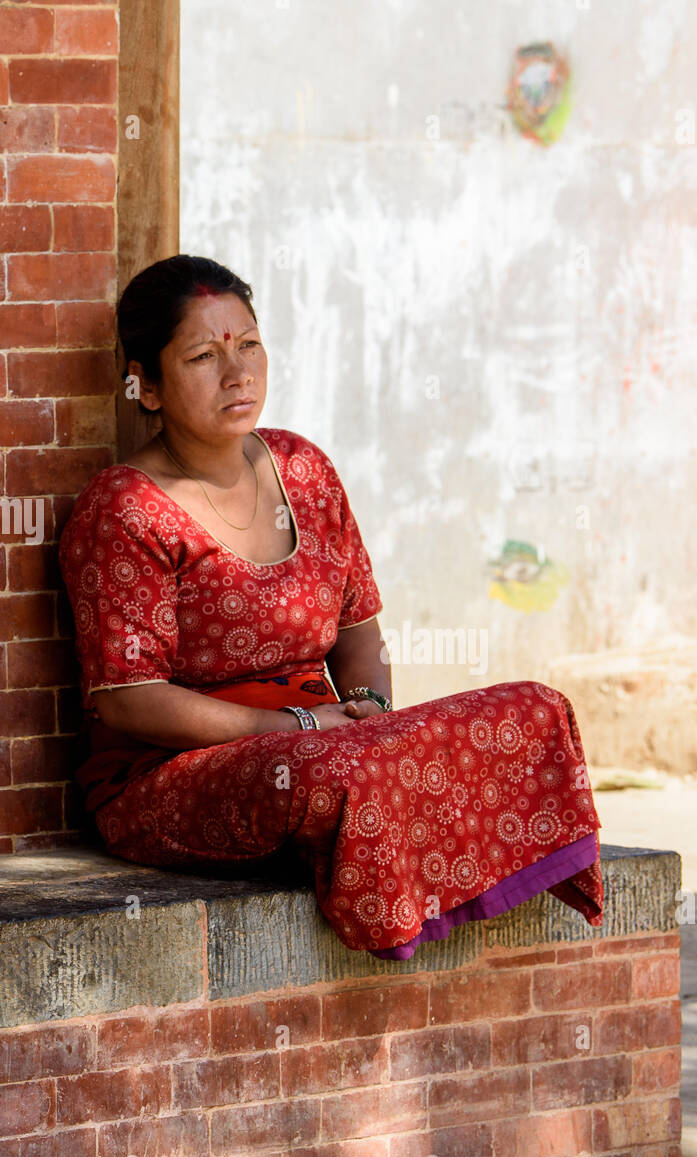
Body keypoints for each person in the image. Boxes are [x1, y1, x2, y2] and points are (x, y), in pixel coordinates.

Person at [58, 255, 604, 959]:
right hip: (173, 774)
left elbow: (358, 631)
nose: (238, 373)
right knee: (343, 773)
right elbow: (127, 699)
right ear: (148, 386)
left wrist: (371, 706)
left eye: (248, 344)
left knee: (534, 709)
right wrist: (287, 727)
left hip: (322, 733)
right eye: (202, 356)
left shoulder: (303, 470)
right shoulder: (124, 508)